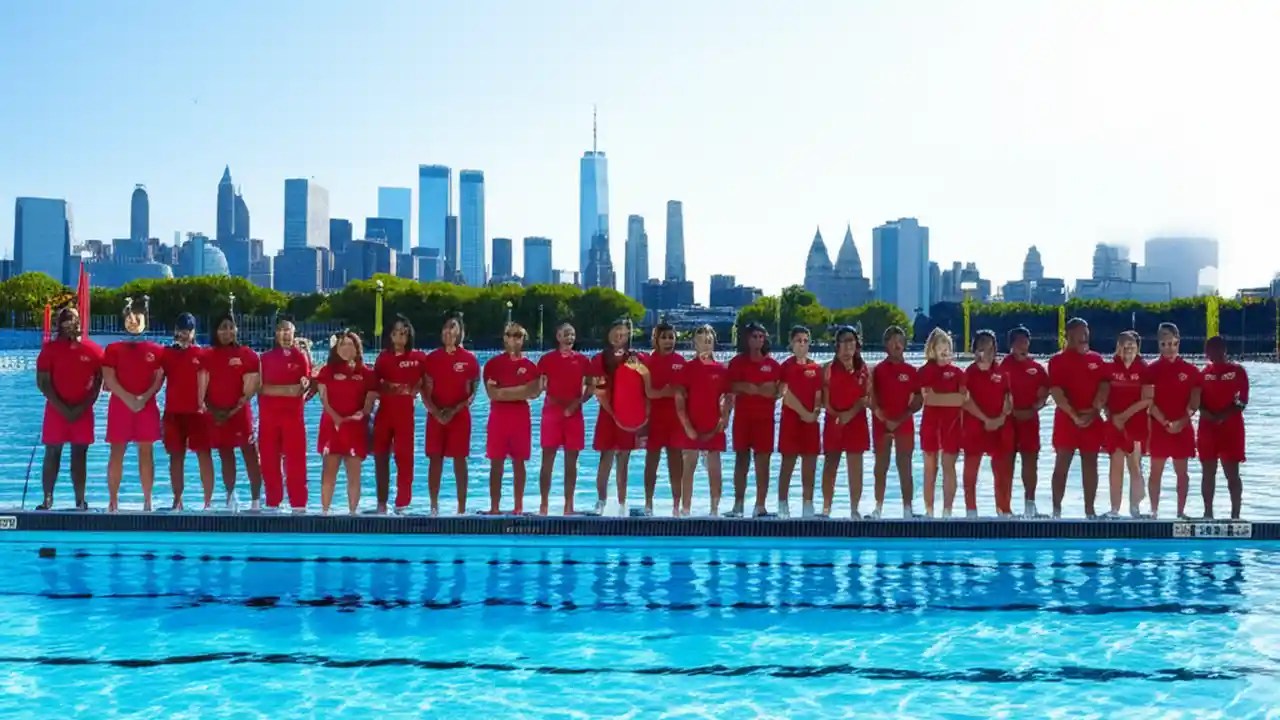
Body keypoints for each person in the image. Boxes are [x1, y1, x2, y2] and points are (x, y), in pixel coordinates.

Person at [35, 307, 103, 511]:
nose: (70, 323)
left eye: (74, 318)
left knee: (80, 454)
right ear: (59, 324)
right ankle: (47, 498)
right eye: (66, 319)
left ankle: (80, 500)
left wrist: (82, 407)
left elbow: (99, 381)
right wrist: (62, 407)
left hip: (82, 411)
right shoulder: (50, 349)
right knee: (52, 451)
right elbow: (43, 382)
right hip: (56, 409)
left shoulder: (93, 350)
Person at [102, 304, 165, 512]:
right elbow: (108, 377)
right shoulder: (113, 349)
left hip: (146, 406)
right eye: (129, 318)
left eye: (137, 318)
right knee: (116, 451)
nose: (133, 321)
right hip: (120, 406)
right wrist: (129, 399)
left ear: (145, 320)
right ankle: (113, 501)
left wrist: (143, 398)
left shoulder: (156, 350)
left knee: (146, 452)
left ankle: (148, 500)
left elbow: (158, 379)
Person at [1048, 317, 1109, 519]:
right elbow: (1056, 392)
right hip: (1067, 419)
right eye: (1080, 333)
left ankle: (1089, 510)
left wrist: (1094, 410)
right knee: (1062, 462)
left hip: (1092, 418)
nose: (1085, 337)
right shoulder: (1057, 360)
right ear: (1069, 336)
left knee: (1090, 463)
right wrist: (1074, 415)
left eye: (1086, 333)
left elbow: (1104, 386)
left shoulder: (1096, 360)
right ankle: (1056, 510)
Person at [204, 313, 264, 511]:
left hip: (240, 413)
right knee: (225, 455)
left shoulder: (247, 355)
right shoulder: (207, 355)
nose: (227, 332)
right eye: (223, 327)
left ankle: (256, 500)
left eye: (231, 327)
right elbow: (201, 387)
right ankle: (230, 497)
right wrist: (213, 411)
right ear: (215, 330)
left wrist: (234, 409)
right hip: (216, 414)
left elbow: (253, 386)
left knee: (250, 454)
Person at [1143, 322, 1202, 519]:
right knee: (1155, 472)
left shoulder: (1192, 371)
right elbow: (1148, 402)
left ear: (1178, 343)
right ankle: (1154, 510)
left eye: (1172, 343)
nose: (1169, 348)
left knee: (1182, 473)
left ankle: (1180, 511)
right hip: (1159, 428)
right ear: (1158, 345)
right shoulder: (1151, 370)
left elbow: (1194, 403)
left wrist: (1181, 422)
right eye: (1164, 344)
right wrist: (1166, 423)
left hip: (1182, 428)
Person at [423, 314, 480, 515]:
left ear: (460, 332)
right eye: (446, 327)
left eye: (453, 327)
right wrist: (436, 412)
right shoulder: (432, 359)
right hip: (436, 415)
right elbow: (425, 391)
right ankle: (433, 506)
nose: (449, 331)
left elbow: (472, 392)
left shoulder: (470, 360)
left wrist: (454, 410)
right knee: (435, 459)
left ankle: (461, 508)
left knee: (460, 459)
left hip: (460, 416)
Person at [315, 330, 376, 514]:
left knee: (354, 474)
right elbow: (324, 399)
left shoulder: (367, 373)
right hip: (331, 426)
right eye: (343, 344)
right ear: (336, 348)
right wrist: (337, 419)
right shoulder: (327, 371)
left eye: (351, 344)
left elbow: (370, 401)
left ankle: (352, 513)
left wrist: (359, 416)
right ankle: (325, 512)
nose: (347, 348)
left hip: (355, 428)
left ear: (357, 348)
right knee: (328, 472)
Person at [675, 325, 733, 517]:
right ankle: (686, 510)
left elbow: (729, 396)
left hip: (714, 425)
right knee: (688, 466)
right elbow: (679, 399)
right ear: (695, 343)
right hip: (692, 425)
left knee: (715, 470)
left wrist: (724, 418)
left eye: (709, 337)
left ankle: (714, 510)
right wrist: (687, 426)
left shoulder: (721, 369)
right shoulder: (687, 368)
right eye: (702, 338)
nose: (706, 340)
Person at [483, 323, 541, 514]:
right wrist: (521, 390)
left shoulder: (530, 366)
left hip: (520, 418)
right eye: (509, 335)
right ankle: (494, 507)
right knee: (496, 462)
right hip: (499, 417)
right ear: (504, 337)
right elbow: (493, 394)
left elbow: (533, 392)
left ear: (524, 339)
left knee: (519, 462)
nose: (513, 338)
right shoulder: (493, 364)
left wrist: (504, 391)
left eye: (518, 335)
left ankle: (518, 507)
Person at [372, 315, 427, 514]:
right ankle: (381, 502)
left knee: (405, 459)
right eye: (396, 332)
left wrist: (416, 389)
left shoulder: (418, 358)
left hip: (405, 416)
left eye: (404, 333)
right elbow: (373, 385)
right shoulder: (383, 358)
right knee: (381, 457)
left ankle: (402, 503)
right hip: (385, 414)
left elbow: (429, 380)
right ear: (390, 335)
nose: (400, 337)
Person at [725, 323, 780, 518]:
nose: (758, 340)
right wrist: (751, 387)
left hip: (764, 421)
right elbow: (731, 387)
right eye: (754, 336)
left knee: (763, 463)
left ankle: (760, 505)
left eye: (761, 336)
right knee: (741, 461)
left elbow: (776, 390)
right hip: (743, 419)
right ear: (747, 339)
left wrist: (754, 388)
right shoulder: (737, 363)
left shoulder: (773, 365)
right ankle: (738, 504)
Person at [588, 319, 642, 516]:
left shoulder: (634, 358)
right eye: (616, 332)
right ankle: (601, 502)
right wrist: (616, 416)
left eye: (624, 333)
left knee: (624, 460)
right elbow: (599, 393)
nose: (619, 336)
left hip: (627, 416)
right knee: (606, 457)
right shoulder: (599, 359)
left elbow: (643, 387)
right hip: (608, 415)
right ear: (608, 334)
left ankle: (621, 503)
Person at [161, 312, 215, 511]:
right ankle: (177, 499)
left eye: (187, 331)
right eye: (180, 330)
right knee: (175, 456)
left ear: (193, 333)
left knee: (204, 454)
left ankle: (207, 502)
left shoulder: (202, 354)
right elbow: (156, 378)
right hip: (173, 413)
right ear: (175, 331)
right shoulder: (167, 354)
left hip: (197, 414)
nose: (183, 334)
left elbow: (210, 381)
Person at [537, 323, 591, 515]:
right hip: (552, 414)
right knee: (547, 459)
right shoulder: (546, 359)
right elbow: (541, 386)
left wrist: (577, 403)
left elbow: (591, 386)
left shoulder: (583, 361)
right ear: (558, 336)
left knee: (571, 461)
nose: (569, 338)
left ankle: (569, 505)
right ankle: (544, 504)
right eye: (565, 334)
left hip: (574, 415)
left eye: (572, 335)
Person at [258, 318, 312, 513]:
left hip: (293, 420)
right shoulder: (265, 358)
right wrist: (286, 390)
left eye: (289, 331)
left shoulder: (300, 357)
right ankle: (273, 503)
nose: (286, 334)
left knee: (296, 463)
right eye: (282, 330)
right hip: (268, 420)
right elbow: (259, 388)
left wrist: (275, 390)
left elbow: (300, 390)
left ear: (294, 334)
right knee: (268, 461)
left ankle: (298, 505)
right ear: (275, 333)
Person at [961, 330, 1014, 517]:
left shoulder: (1001, 372)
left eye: (991, 349)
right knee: (971, 471)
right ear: (975, 351)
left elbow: (1008, 399)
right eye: (983, 349)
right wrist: (986, 419)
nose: (987, 353)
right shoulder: (968, 373)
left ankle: (1003, 509)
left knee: (1002, 472)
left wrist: (1000, 418)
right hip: (975, 426)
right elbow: (965, 400)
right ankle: (971, 510)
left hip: (998, 428)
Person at [819, 326, 871, 519]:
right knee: (830, 464)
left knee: (855, 467)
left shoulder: (864, 369)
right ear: (837, 345)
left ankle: (854, 508)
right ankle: (826, 507)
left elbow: (867, 397)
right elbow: (824, 399)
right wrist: (838, 415)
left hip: (856, 421)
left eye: (852, 341)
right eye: (845, 341)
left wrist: (852, 412)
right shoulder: (827, 369)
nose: (849, 345)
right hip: (835, 420)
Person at [870, 326, 921, 519]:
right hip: (881, 425)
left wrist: (900, 418)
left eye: (900, 340)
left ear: (905, 344)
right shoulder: (878, 370)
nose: (896, 344)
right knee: (880, 467)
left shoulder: (911, 371)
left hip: (904, 424)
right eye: (892, 340)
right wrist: (883, 418)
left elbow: (918, 401)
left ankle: (907, 509)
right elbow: (871, 398)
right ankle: (878, 507)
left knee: (905, 467)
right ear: (886, 345)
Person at [1000, 326, 1049, 517]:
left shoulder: (1036, 369)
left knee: (1030, 462)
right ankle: (1005, 506)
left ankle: (1030, 503)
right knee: (1006, 463)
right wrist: (1010, 411)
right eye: (1019, 341)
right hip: (1008, 421)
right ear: (1011, 344)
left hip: (1029, 420)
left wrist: (1034, 407)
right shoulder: (1003, 367)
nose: (1023, 344)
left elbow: (1045, 392)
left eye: (1026, 341)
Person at [1199, 335, 1249, 520]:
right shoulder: (1203, 374)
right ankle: (1207, 513)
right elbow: (1198, 401)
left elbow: (1242, 400)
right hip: (1207, 428)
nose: (1214, 353)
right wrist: (1209, 415)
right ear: (1206, 353)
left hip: (1231, 427)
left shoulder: (1237, 371)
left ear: (1225, 350)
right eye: (1210, 350)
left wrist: (1222, 416)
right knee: (1208, 472)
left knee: (1232, 473)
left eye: (1218, 349)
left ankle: (1235, 515)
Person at [1101, 331, 1149, 518]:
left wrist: (1125, 415)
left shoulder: (1144, 368)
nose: (1128, 348)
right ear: (1118, 347)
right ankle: (1114, 509)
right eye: (1124, 345)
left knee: (1135, 465)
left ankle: (1135, 508)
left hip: (1136, 423)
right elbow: (1103, 393)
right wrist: (1110, 413)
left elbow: (1148, 399)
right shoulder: (1110, 368)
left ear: (1137, 348)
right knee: (1116, 464)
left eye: (1132, 345)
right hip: (1114, 424)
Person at [777, 325, 824, 518]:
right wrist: (804, 412)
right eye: (798, 341)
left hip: (811, 422)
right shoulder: (786, 367)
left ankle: (808, 503)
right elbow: (784, 393)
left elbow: (819, 394)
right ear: (791, 344)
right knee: (788, 461)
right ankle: (782, 502)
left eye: (806, 341)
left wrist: (814, 412)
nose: (802, 344)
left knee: (810, 463)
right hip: (791, 421)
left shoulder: (816, 367)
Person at [918, 328, 964, 518]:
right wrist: (952, 398)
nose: (945, 353)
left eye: (947, 349)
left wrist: (944, 398)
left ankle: (947, 510)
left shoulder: (958, 372)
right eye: (941, 349)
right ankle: (929, 510)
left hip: (952, 424)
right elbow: (928, 399)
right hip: (931, 424)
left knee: (949, 466)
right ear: (932, 350)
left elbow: (963, 399)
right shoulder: (925, 371)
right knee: (930, 467)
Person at [642, 322, 686, 517]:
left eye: (671, 337)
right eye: (664, 337)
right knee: (652, 461)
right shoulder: (648, 363)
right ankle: (648, 503)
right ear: (656, 340)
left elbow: (686, 391)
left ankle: (677, 505)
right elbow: (646, 393)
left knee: (676, 463)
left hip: (676, 420)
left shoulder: (681, 361)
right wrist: (665, 392)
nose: (668, 341)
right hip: (655, 420)